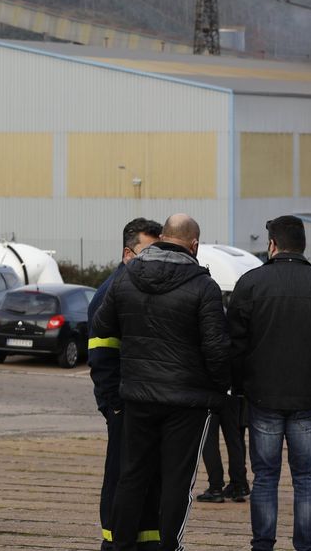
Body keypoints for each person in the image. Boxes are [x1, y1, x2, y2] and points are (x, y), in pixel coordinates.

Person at [91, 214, 230, 551]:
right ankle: (170, 546)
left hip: (138, 397)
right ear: (194, 245)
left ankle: (121, 545)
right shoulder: (204, 287)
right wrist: (221, 389)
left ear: (163, 236)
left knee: (132, 476)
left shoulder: (126, 277)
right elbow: (217, 351)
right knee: (177, 483)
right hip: (187, 403)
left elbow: (103, 325)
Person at [229, 216, 311, 551]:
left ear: (272, 244)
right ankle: (306, 546)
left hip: (262, 397)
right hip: (307, 397)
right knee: (306, 477)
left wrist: (242, 384)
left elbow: (235, 342)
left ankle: (262, 545)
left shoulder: (251, 283)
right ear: (303, 245)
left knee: (265, 477)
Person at [88, 218, 163, 551]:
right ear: (128, 254)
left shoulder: (140, 288)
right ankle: (114, 542)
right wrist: (114, 406)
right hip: (123, 404)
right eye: (149, 252)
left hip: (143, 403)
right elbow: (101, 358)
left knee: (148, 478)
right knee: (121, 477)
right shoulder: (110, 293)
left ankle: (147, 540)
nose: (155, 260)